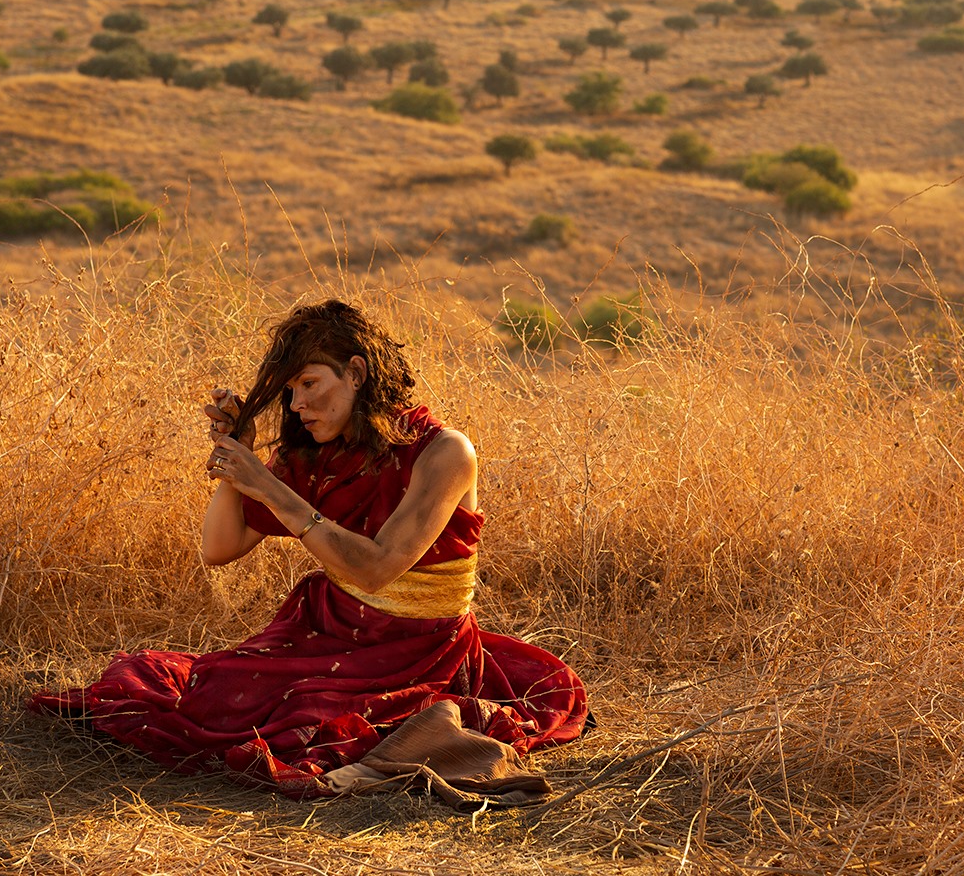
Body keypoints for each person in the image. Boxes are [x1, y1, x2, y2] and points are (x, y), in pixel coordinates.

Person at [29, 300, 590, 799]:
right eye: (290, 391)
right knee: (208, 696)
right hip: (330, 626)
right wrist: (237, 459)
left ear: (356, 373)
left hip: (422, 649)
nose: (297, 404)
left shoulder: (444, 452)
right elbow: (219, 548)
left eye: (309, 384)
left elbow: (377, 569)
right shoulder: (318, 453)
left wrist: (268, 486)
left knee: (303, 721)